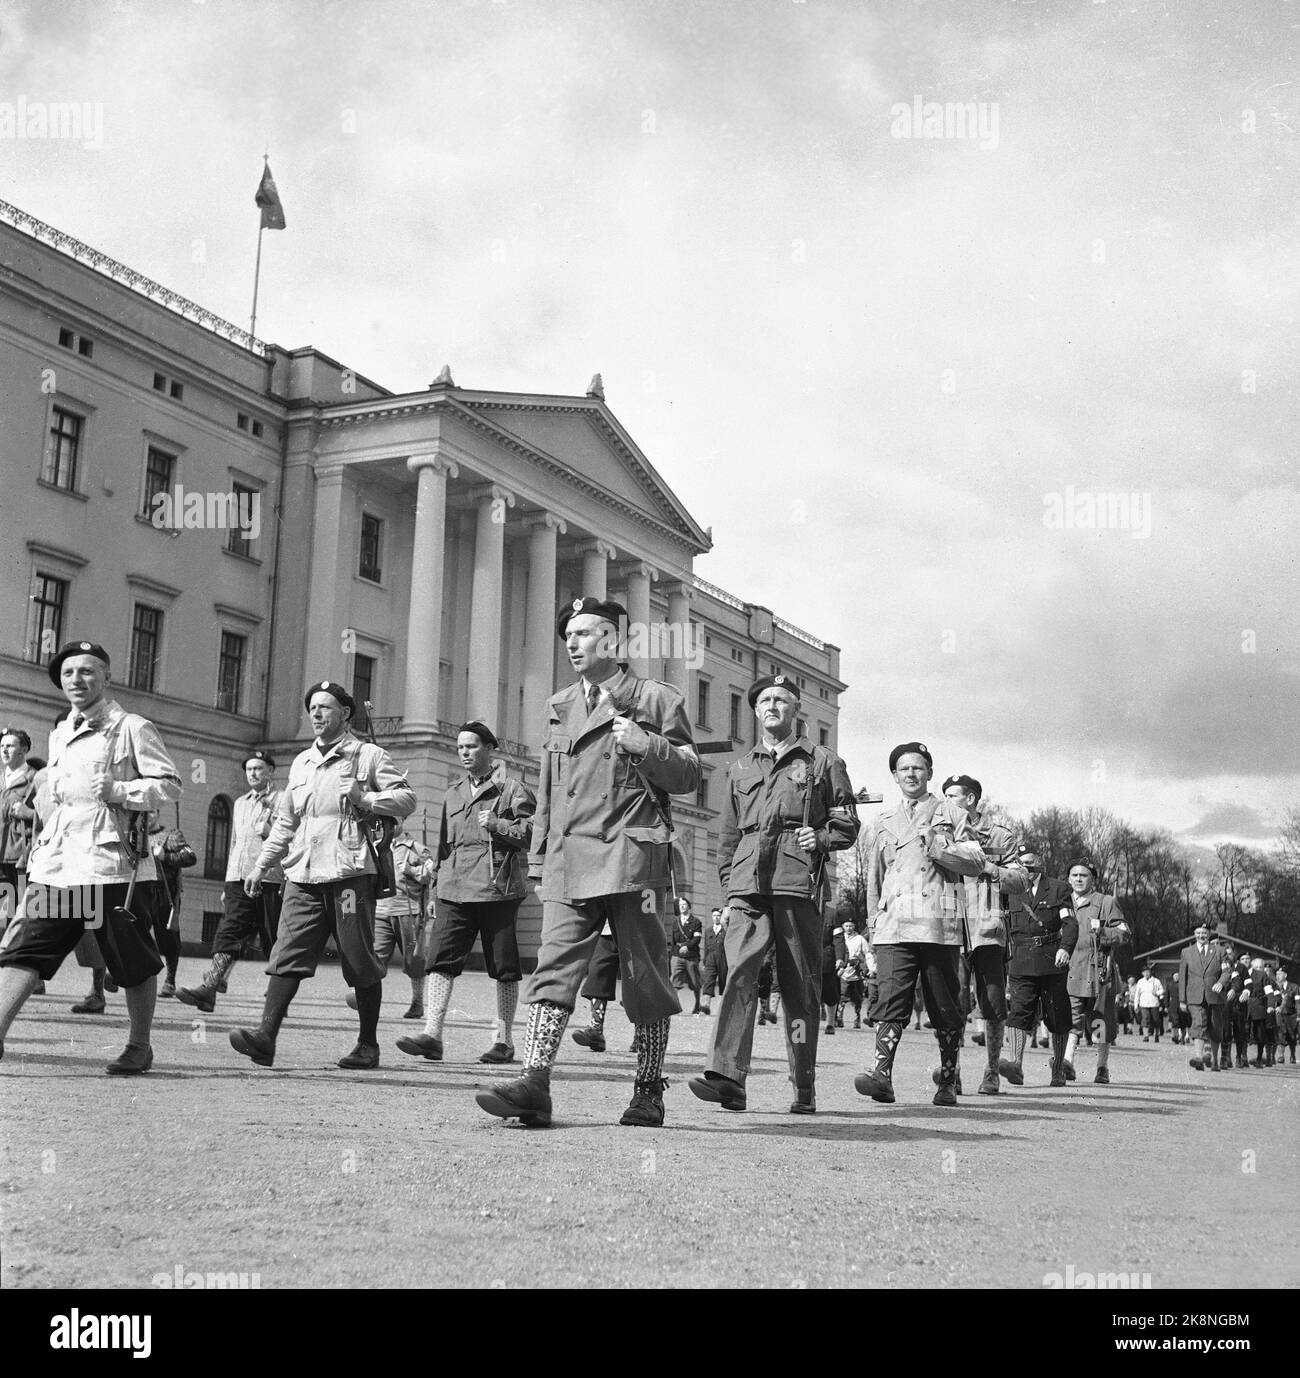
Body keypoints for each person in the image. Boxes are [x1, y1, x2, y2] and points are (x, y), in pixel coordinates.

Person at [475, 597, 699, 1128]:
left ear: (613, 640)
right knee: (552, 969)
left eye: (583, 634)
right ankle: (534, 1083)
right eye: (567, 637)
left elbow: (689, 773)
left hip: (632, 858)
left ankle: (648, 1090)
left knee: (644, 978)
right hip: (570, 858)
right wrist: (539, 858)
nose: (571, 645)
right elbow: (551, 792)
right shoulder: (560, 705)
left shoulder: (655, 698)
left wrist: (647, 745)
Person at [0, 641, 181, 1073]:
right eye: (68, 674)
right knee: (24, 948)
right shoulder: (61, 730)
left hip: (113, 865)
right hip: (59, 864)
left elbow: (170, 786)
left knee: (131, 960)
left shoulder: (133, 727)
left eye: (86, 672)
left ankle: (139, 1046)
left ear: (106, 677)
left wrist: (122, 791)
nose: (76, 681)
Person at [689, 673, 859, 1115]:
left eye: (781, 700)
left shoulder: (823, 762)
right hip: (747, 885)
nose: (772, 707)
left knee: (799, 987)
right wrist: (728, 891)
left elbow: (847, 824)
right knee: (739, 973)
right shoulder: (741, 767)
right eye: (765, 700)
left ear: (796, 709)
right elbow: (727, 835)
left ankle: (803, 1085)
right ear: (756, 710)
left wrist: (821, 838)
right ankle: (728, 1077)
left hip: (796, 883)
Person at [228, 680, 415, 1069]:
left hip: (348, 874)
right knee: (287, 952)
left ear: (345, 714)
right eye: (312, 707)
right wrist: (262, 865)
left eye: (325, 707)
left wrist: (366, 798)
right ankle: (266, 1037)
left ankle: (367, 1044)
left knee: (358, 957)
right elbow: (285, 822)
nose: (316, 714)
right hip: (304, 875)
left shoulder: (368, 756)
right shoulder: (301, 762)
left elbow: (406, 800)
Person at [853, 743, 984, 1108]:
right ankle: (882, 1075)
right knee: (890, 997)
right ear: (895, 776)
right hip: (894, 925)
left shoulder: (951, 812)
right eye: (904, 769)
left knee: (944, 1005)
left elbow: (976, 860)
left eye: (918, 768)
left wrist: (939, 848)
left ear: (929, 773)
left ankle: (947, 1079)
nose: (911, 774)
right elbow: (874, 879)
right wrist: (873, 920)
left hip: (938, 925)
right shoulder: (884, 820)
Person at [398, 722, 534, 1064]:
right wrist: (435, 890)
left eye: (472, 747)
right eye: (460, 747)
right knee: (440, 960)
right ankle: (432, 1034)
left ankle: (503, 1041)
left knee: (503, 966)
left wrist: (498, 825)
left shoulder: (511, 789)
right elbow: (444, 847)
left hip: (496, 888)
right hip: (453, 889)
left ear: (490, 749)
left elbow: (533, 834)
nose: (465, 752)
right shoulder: (452, 792)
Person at [940, 775, 1028, 1095]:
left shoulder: (999, 837)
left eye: (953, 796)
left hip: (988, 928)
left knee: (992, 1001)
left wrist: (992, 869)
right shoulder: (940, 835)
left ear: (972, 800)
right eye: (944, 796)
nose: (946, 802)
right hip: (950, 926)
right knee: (952, 1000)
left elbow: (1021, 881)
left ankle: (991, 1071)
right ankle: (953, 1071)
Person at [178, 751, 284, 1012]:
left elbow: (293, 839)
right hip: (239, 879)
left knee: (274, 938)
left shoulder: (283, 801)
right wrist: (228, 882)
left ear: (271, 770)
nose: (253, 774)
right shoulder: (240, 803)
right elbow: (235, 844)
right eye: (249, 770)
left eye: (259, 769)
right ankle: (210, 988)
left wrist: (270, 832)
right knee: (228, 932)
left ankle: (279, 996)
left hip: (270, 879)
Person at [999, 846, 1076, 1088]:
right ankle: (1016, 1065)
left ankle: (1058, 1071)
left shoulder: (1058, 888)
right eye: (1021, 865)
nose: (1027, 869)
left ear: (1040, 863)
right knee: (1019, 1012)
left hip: (1052, 959)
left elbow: (1070, 922)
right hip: (1020, 961)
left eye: (1031, 864)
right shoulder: (1008, 889)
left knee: (1058, 1017)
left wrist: (1066, 948)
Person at [1063, 861, 1130, 1084]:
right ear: (1068, 879)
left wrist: (1102, 933)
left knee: (1100, 1020)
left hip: (1098, 969)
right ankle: (1067, 1063)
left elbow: (1123, 933)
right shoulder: (1063, 902)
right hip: (1070, 968)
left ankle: (1102, 1067)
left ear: (1093, 879)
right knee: (1071, 1018)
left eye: (1084, 875)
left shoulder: (1106, 902)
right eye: (1075, 875)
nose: (1079, 879)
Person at [360, 819, 435, 1018]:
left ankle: (417, 1003)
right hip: (381, 911)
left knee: (414, 961)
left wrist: (411, 870)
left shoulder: (416, 848)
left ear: (402, 820)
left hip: (407, 911)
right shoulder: (374, 847)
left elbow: (433, 875)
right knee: (374, 957)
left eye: (394, 819)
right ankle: (366, 1002)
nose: (388, 824)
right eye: (384, 820)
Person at [148, 817, 197, 998]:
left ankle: (170, 980)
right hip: (141, 889)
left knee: (167, 937)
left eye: (151, 810)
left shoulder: (170, 835)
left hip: (164, 891)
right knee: (133, 933)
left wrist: (165, 856)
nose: (147, 815)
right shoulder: (136, 835)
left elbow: (190, 856)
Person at [0, 728, 37, 938]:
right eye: (2, 746)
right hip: (0, 855)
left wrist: (29, 813)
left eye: (10, 746)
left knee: (19, 913)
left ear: (23, 750)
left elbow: (50, 815)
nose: (4, 751)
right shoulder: (0, 780)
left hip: (21, 857)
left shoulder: (35, 780)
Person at [1179, 924, 1226, 1072]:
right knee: (1198, 1023)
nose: (1201, 936)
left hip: (1214, 996)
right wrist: (1182, 999)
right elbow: (1182, 977)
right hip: (1194, 996)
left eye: (1204, 933)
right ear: (1194, 934)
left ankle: (1214, 1059)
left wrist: (1221, 982)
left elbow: (1227, 971)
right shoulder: (1186, 952)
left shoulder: (1220, 951)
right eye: (1198, 933)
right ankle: (1198, 1057)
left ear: (1209, 933)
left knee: (1215, 1027)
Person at [569, 923, 620, 1052]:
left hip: (637, 925)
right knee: (599, 971)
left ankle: (641, 1034)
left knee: (637, 978)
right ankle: (596, 1030)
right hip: (606, 928)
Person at [670, 896, 705, 1015]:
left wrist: (687, 946)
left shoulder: (696, 922)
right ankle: (674, 1006)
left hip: (691, 956)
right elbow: (673, 940)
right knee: (674, 982)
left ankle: (697, 1005)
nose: (682, 907)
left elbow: (697, 939)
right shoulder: (675, 923)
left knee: (695, 983)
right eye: (680, 905)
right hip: (677, 955)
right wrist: (673, 955)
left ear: (689, 907)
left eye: (684, 904)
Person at [1241, 959, 1278, 1066]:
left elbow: (1269, 992)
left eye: (1260, 967)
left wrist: (1271, 1005)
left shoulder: (1262, 975)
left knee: (1260, 1034)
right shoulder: (1240, 974)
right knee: (1243, 1032)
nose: (1258, 969)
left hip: (1259, 1006)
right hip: (1244, 1007)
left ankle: (1259, 1058)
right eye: (1256, 967)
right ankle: (1243, 1057)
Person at [837, 916, 869, 1030]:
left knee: (857, 999)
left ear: (854, 926)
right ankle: (839, 1018)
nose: (849, 928)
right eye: (846, 926)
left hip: (856, 973)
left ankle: (857, 1019)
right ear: (843, 927)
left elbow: (867, 953)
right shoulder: (840, 938)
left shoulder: (860, 939)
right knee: (841, 997)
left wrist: (865, 968)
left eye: (851, 926)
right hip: (843, 973)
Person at [700, 906, 727, 1015]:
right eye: (714, 916)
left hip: (723, 959)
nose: (716, 918)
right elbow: (706, 947)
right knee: (708, 982)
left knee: (724, 983)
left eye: (718, 916)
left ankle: (724, 1009)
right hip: (710, 959)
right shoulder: (708, 931)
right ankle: (705, 1006)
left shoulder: (725, 931)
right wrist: (705, 962)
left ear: (721, 917)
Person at [821, 906, 844, 1036]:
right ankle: (803, 1025)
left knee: (830, 993)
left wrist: (840, 958)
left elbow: (838, 938)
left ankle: (830, 1023)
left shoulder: (832, 914)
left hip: (827, 960)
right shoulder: (803, 907)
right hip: (807, 958)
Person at [1273, 964, 1297, 1064]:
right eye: (1276, 974)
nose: (1277, 976)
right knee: (1280, 1033)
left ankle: (1292, 1055)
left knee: (1292, 1035)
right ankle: (1281, 1055)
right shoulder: (1274, 987)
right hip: (1279, 1014)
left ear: (1285, 975)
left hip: (1291, 1015)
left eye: (1280, 974)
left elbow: (1297, 1003)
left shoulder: (1294, 987)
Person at [1133, 964, 1163, 1042]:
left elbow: (1162, 990)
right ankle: (1146, 1036)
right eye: (1144, 972)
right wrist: (1136, 1005)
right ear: (1142, 973)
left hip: (1154, 1003)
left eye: (1148, 972)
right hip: (1143, 1003)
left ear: (1150, 972)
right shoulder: (1140, 982)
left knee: (1156, 1020)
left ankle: (1157, 1034)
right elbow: (1137, 994)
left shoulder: (1156, 981)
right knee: (1145, 1019)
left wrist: (1157, 992)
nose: (1146, 973)